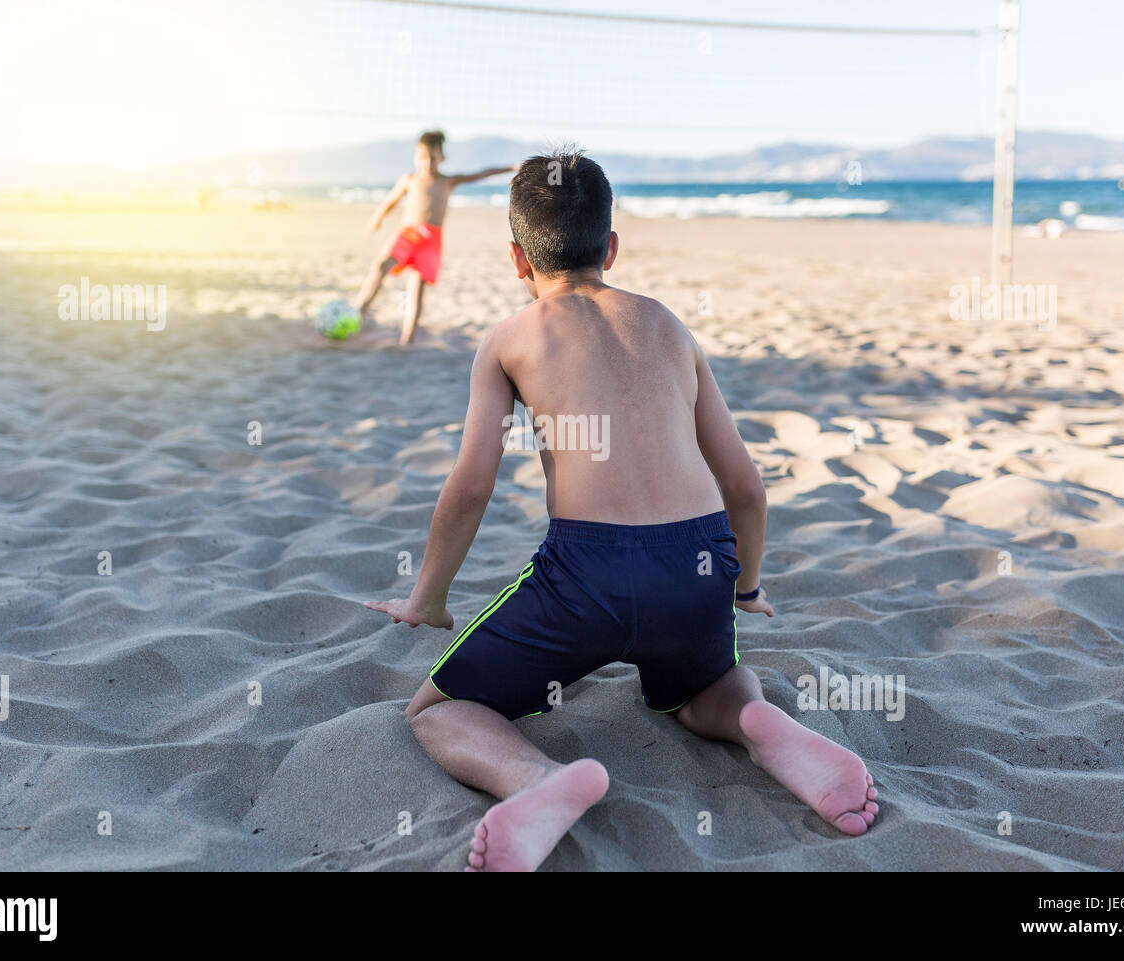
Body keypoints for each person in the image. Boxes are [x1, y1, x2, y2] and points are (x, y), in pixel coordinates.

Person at [366, 149, 879, 871]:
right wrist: (746, 586)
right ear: (611, 247)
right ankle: (756, 718)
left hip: (588, 575)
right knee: (701, 690)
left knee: (437, 711)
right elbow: (746, 487)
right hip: (699, 562)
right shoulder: (668, 326)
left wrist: (429, 598)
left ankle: (537, 782)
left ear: (517, 258)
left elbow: (470, 485)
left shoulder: (511, 337)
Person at [355, 130, 514, 344]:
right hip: (408, 233)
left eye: (432, 158)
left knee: (417, 288)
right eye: (422, 157)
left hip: (431, 240)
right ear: (415, 157)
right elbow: (390, 201)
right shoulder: (409, 180)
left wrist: (511, 168)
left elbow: (481, 174)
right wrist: (377, 218)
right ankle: (358, 315)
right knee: (380, 267)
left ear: (442, 158)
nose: (427, 162)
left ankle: (407, 338)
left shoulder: (448, 181)